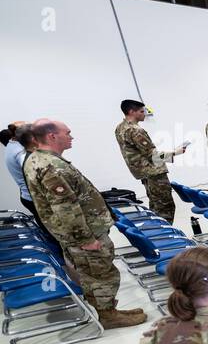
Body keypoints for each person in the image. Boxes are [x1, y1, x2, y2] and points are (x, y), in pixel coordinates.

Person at [23, 119, 146, 329]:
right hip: (84, 234)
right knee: (101, 274)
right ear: (53, 136)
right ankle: (108, 316)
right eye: (67, 133)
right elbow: (65, 208)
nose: (71, 136)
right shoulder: (51, 166)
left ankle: (109, 310)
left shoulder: (39, 159)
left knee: (93, 273)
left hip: (79, 232)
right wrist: (86, 239)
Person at [114, 100, 188, 223]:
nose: (145, 114)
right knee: (165, 207)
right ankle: (166, 236)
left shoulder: (120, 128)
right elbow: (153, 155)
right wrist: (176, 152)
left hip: (143, 172)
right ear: (131, 112)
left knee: (155, 205)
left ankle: (158, 234)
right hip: (154, 173)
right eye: (142, 111)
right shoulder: (135, 130)